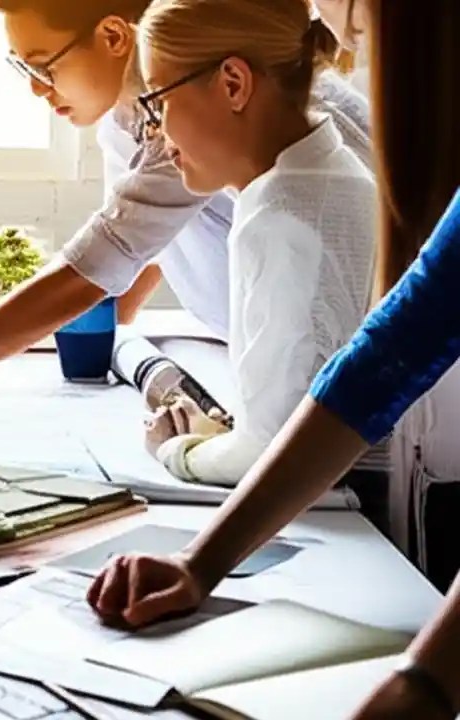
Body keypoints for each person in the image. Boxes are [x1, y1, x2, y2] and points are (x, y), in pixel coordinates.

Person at [87, 1, 460, 715]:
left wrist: (432, 677)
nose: (348, 45)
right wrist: (201, 564)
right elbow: (380, 363)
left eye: (362, 25)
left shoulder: (291, 207)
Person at [0, 0, 371, 431]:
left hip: (358, 382)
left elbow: (100, 259)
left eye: (45, 66)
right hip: (284, 371)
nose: (39, 91)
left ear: (114, 35)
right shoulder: (128, 117)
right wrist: (107, 334)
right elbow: (141, 235)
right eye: (23, 69)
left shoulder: (201, 109)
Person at [133, 0, 375, 487]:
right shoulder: (338, 176)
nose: (156, 134)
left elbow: (273, 452)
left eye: (158, 102)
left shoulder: (282, 217)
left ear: (233, 85)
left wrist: (179, 450)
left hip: (359, 512)